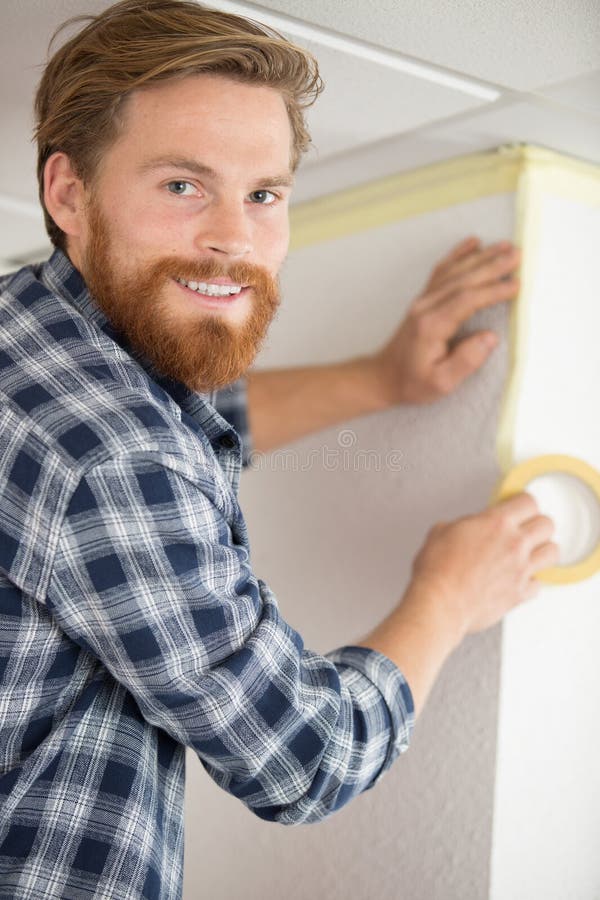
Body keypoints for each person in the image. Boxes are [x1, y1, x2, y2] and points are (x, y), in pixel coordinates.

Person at [0, 1, 558, 898]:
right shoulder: (114, 461)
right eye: (183, 186)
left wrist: (383, 380)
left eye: (263, 193)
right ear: (69, 193)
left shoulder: (34, 336)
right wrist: (450, 595)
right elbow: (300, 757)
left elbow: (179, 416)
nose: (234, 237)